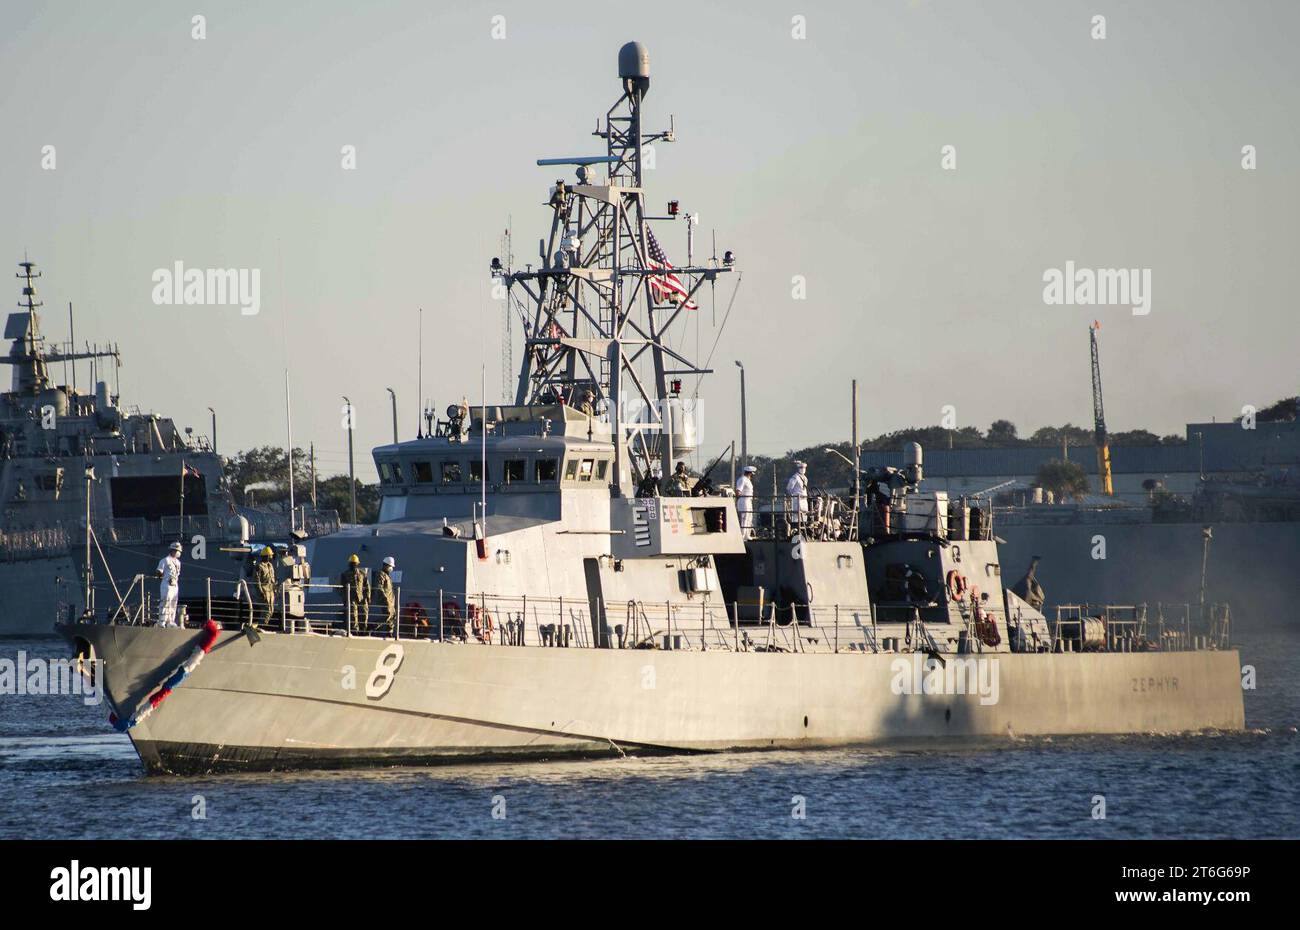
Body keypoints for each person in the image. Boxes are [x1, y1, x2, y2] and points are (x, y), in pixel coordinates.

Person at [341, 554, 371, 634]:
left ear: (357, 564)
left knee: (364, 614)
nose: (353, 565)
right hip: (351, 598)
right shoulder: (345, 574)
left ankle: (363, 631)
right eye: (352, 563)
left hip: (361, 598)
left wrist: (367, 597)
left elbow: (367, 586)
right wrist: (345, 599)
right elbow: (342, 588)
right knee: (353, 616)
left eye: (354, 563)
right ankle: (355, 631)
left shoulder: (362, 574)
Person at [155, 541, 182, 627]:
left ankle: (170, 621)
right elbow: (159, 571)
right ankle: (162, 621)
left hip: (175, 585)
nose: (178, 552)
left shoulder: (178, 562)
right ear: (172, 551)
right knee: (165, 602)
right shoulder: (165, 560)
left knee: (173, 603)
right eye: (177, 550)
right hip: (167, 584)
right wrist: (161, 576)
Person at [253, 545, 278, 627]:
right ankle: (261, 626)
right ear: (266, 556)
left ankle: (263, 625)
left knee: (271, 610)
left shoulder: (270, 565)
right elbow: (257, 581)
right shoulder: (259, 566)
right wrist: (261, 592)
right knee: (266, 610)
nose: (271, 556)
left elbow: (273, 578)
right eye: (270, 555)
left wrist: (275, 589)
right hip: (264, 591)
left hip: (271, 591)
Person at [375, 556, 397, 635]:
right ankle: (373, 626)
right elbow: (379, 587)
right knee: (387, 616)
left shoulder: (387, 576)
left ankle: (389, 633)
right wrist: (385, 599)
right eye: (390, 566)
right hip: (385, 600)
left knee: (393, 616)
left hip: (391, 601)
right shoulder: (381, 574)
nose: (391, 568)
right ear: (386, 565)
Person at [735, 464, 757, 538]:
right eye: (752, 474)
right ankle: (742, 535)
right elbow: (738, 491)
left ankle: (747, 535)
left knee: (749, 518)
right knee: (744, 518)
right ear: (750, 473)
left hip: (748, 500)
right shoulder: (742, 479)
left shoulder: (747, 480)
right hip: (743, 500)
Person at [786, 461, 809, 527]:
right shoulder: (795, 477)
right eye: (801, 467)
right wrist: (790, 498)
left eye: (804, 468)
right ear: (798, 468)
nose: (803, 469)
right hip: (797, 500)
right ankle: (796, 528)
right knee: (796, 517)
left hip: (804, 499)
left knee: (804, 516)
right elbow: (789, 488)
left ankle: (804, 527)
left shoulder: (805, 478)